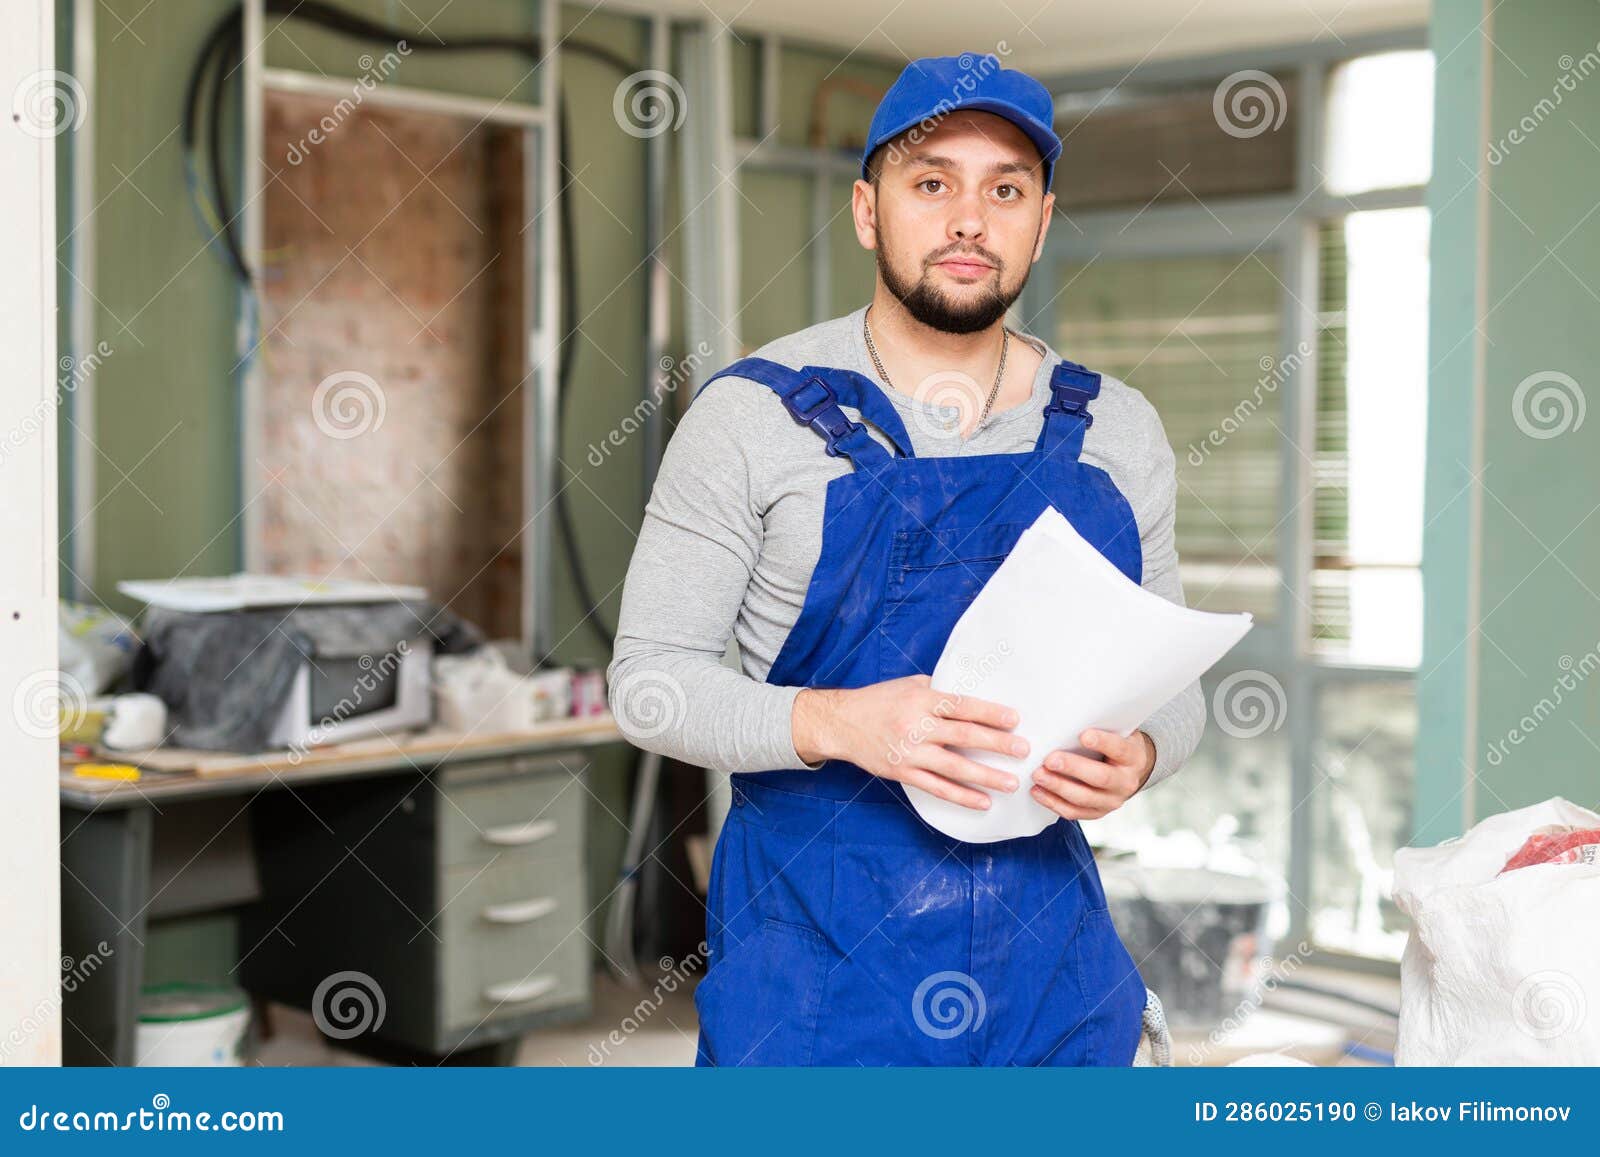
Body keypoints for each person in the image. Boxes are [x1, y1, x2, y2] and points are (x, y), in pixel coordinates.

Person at [607, 53, 1204, 1066]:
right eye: (932, 183)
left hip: (1051, 980)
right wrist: (840, 720)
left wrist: (1141, 754)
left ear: (1040, 221)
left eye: (1005, 189)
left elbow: (1173, 688)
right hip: (819, 981)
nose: (970, 218)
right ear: (867, 211)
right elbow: (648, 687)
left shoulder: (1117, 428)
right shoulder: (752, 419)